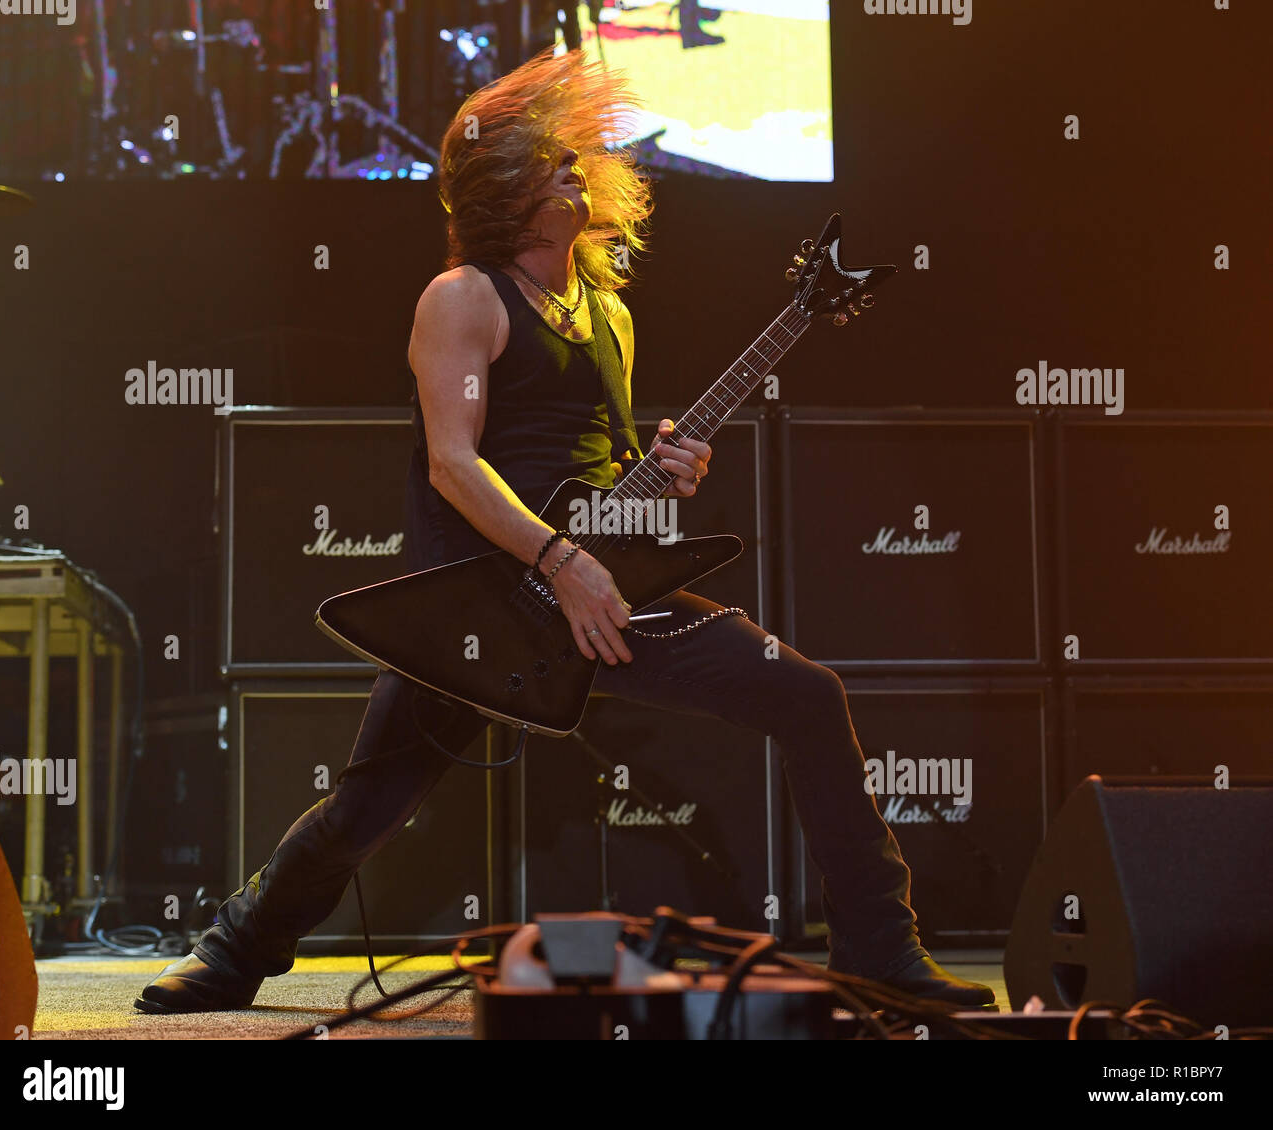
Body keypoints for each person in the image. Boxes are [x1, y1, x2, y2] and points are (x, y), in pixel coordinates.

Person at [136, 48, 993, 1015]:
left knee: (806, 694)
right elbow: (453, 463)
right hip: (471, 602)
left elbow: (600, 480)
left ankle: (882, 952)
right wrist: (560, 558)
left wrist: (664, 475)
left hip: (596, 590)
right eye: (553, 162)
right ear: (504, 191)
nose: (578, 170)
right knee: (368, 806)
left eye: (578, 157)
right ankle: (235, 950)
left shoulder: (610, 314)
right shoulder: (461, 298)